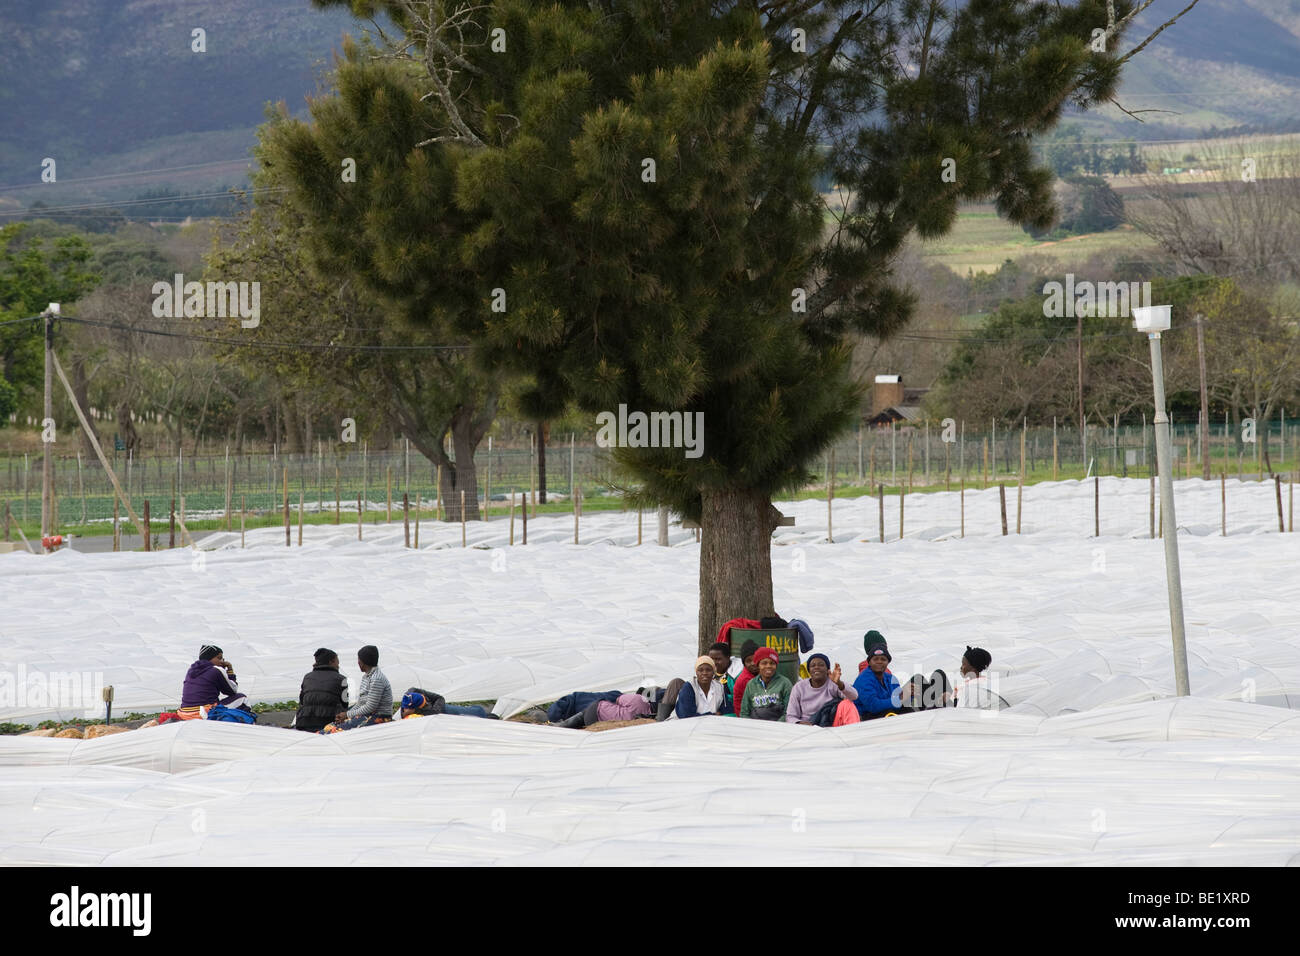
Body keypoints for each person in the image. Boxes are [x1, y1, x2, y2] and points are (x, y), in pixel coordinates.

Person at [320, 645, 392, 733]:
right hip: (367, 715)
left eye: (359, 659)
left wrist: (347, 714)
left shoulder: (377, 679)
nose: (358, 662)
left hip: (379, 717)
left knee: (335, 731)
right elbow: (360, 703)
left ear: (363, 661)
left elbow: (370, 707)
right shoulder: (366, 677)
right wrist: (347, 714)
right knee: (329, 727)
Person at [785, 653, 859, 725]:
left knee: (847, 704)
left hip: (831, 725)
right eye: (812, 666)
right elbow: (790, 716)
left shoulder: (833, 683)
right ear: (809, 671)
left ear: (827, 670)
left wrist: (839, 683)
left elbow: (854, 696)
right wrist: (800, 723)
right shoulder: (799, 687)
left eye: (821, 665)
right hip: (807, 729)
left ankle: (853, 734)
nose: (816, 667)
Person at [179, 645, 248, 719]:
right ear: (209, 657)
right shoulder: (216, 669)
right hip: (204, 712)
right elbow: (232, 690)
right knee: (242, 698)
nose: (222, 661)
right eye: (219, 658)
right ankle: (245, 726)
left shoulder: (191, 670)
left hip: (184, 713)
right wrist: (229, 670)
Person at [292, 647, 350, 732]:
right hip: (328, 723)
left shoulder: (307, 677)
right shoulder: (341, 679)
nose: (338, 666)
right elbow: (345, 704)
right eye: (337, 663)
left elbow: (302, 700)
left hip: (303, 722)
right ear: (331, 662)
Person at [740, 647, 792, 721]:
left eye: (772, 663)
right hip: (756, 727)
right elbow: (744, 713)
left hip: (778, 726)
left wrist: (776, 726)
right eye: (764, 663)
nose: (768, 666)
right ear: (758, 665)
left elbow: (788, 712)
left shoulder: (785, 683)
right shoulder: (751, 684)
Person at [852, 641, 901, 719]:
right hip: (866, 717)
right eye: (875, 659)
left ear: (888, 662)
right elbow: (873, 706)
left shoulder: (891, 678)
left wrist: (910, 694)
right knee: (889, 713)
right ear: (869, 662)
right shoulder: (864, 679)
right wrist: (899, 699)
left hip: (887, 711)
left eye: (883, 659)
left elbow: (900, 698)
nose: (879, 662)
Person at [556, 691, 653, 728]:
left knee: (586, 712)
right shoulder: (648, 715)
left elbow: (619, 699)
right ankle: (564, 725)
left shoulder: (638, 699)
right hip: (597, 723)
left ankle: (561, 725)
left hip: (594, 711)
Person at [708, 642, 740, 716]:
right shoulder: (706, 670)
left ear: (728, 657)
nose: (714, 662)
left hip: (729, 713)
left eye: (718, 659)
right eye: (711, 659)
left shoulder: (736, 674)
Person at [731, 638, 761, 715]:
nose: (753, 663)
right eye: (748, 661)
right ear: (744, 663)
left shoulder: (760, 673)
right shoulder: (745, 680)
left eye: (755, 659)